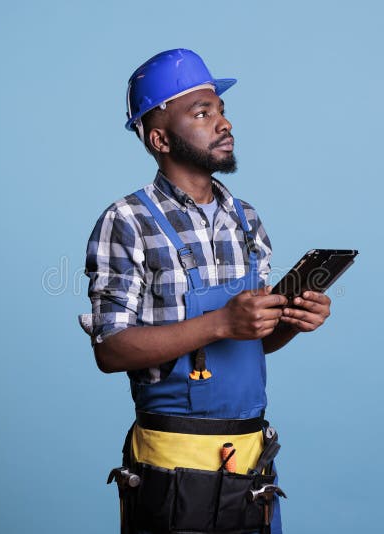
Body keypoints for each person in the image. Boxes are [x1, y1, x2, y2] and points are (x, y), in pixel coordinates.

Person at [79, 49, 331, 534]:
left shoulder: (245, 217)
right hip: (172, 476)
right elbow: (110, 350)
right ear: (159, 138)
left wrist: (290, 321)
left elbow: (254, 338)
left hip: (250, 466)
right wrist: (219, 322)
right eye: (201, 113)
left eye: (220, 110)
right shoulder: (128, 221)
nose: (223, 122)